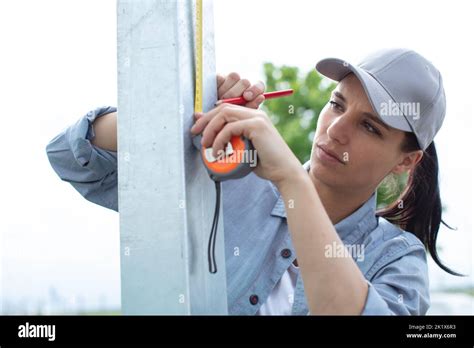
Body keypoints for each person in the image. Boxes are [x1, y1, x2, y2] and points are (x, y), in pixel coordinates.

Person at [46, 48, 456, 315]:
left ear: (407, 161)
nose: (335, 131)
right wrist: (189, 112)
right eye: (336, 104)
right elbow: (70, 156)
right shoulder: (229, 179)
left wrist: (292, 179)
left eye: (369, 127)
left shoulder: (397, 259)